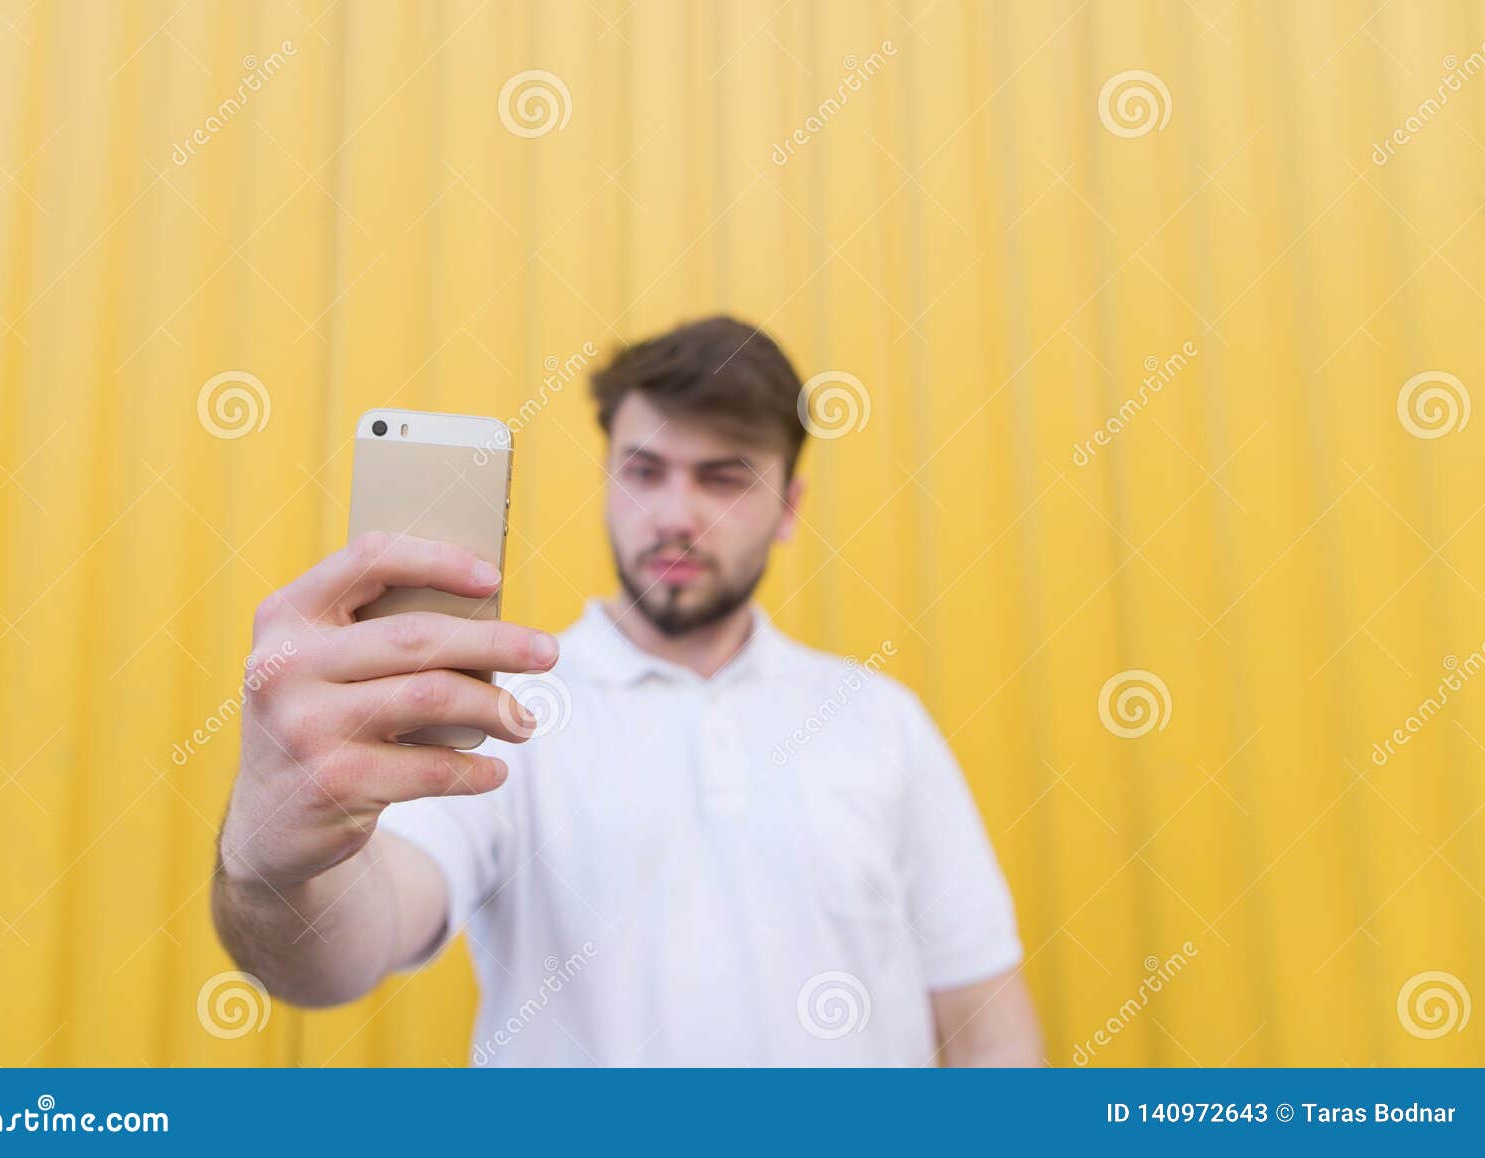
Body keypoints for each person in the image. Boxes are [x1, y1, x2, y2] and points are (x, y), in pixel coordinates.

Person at [211, 316, 1043, 1066]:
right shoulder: (498, 710)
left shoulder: (879, 721)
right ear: (609, 479)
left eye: (722, 479)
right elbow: (346, 946)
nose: (677, 514)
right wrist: (271, 868)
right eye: (646, 472)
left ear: (789, 506)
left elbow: (986, 1025)